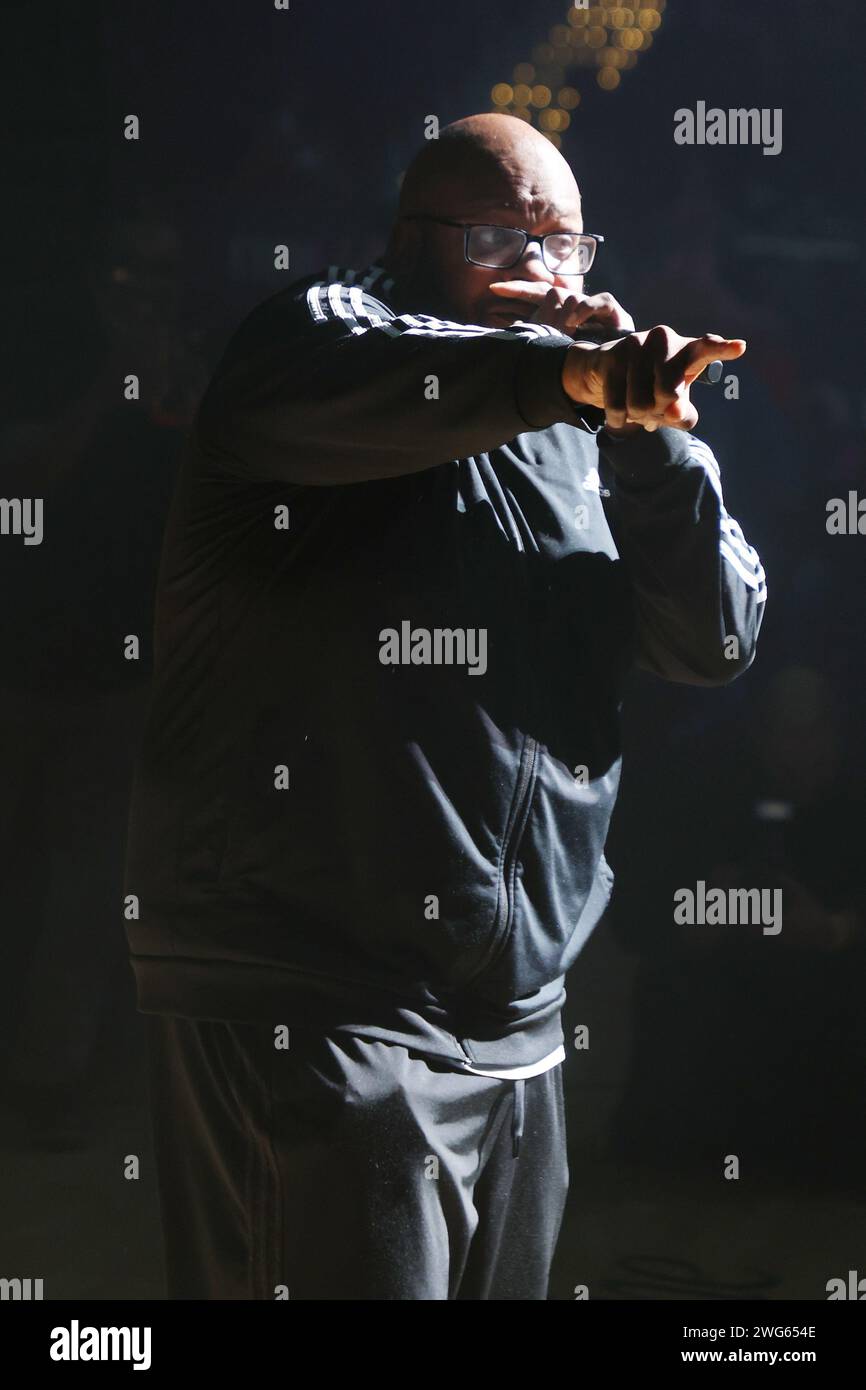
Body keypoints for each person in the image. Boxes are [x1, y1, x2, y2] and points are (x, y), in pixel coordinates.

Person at [123, 113, 766, 1300]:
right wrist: (568, 375)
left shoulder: (583, 419)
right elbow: (394, 381)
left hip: (514, 1023)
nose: (538, 270)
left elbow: (712, 636)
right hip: (313, 996)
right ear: (413, 239)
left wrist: (649, 440)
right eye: (493, 235)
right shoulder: (319, 337)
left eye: (564, 243)